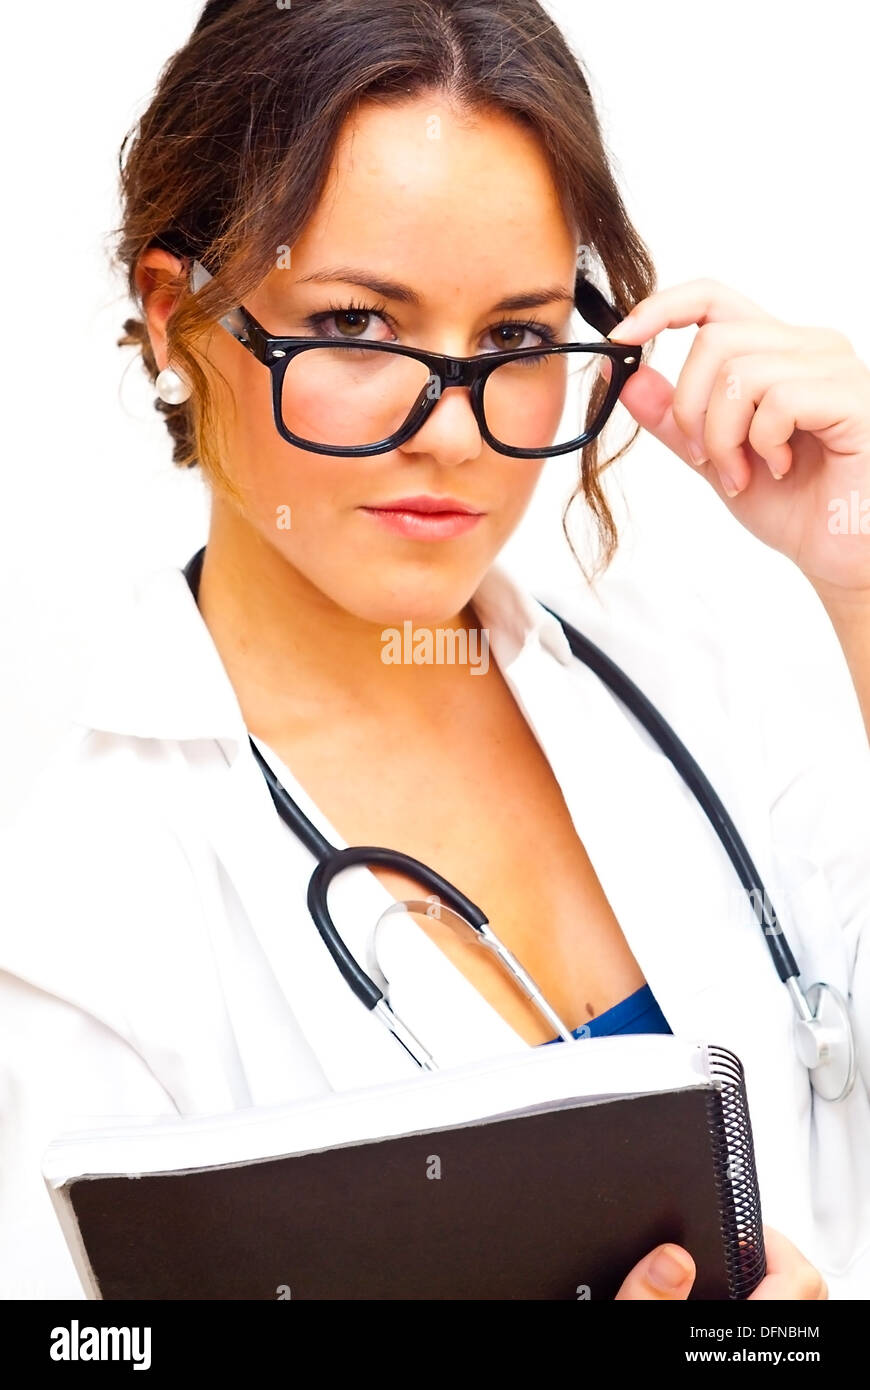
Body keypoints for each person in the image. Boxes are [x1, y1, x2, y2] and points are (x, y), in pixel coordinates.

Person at [1, 0, 868, 1301]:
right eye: (355, 326)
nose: (450, 431)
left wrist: (860, 573)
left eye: (515, 337)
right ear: (177, 312)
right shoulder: (73, 908)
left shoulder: (703, 673)